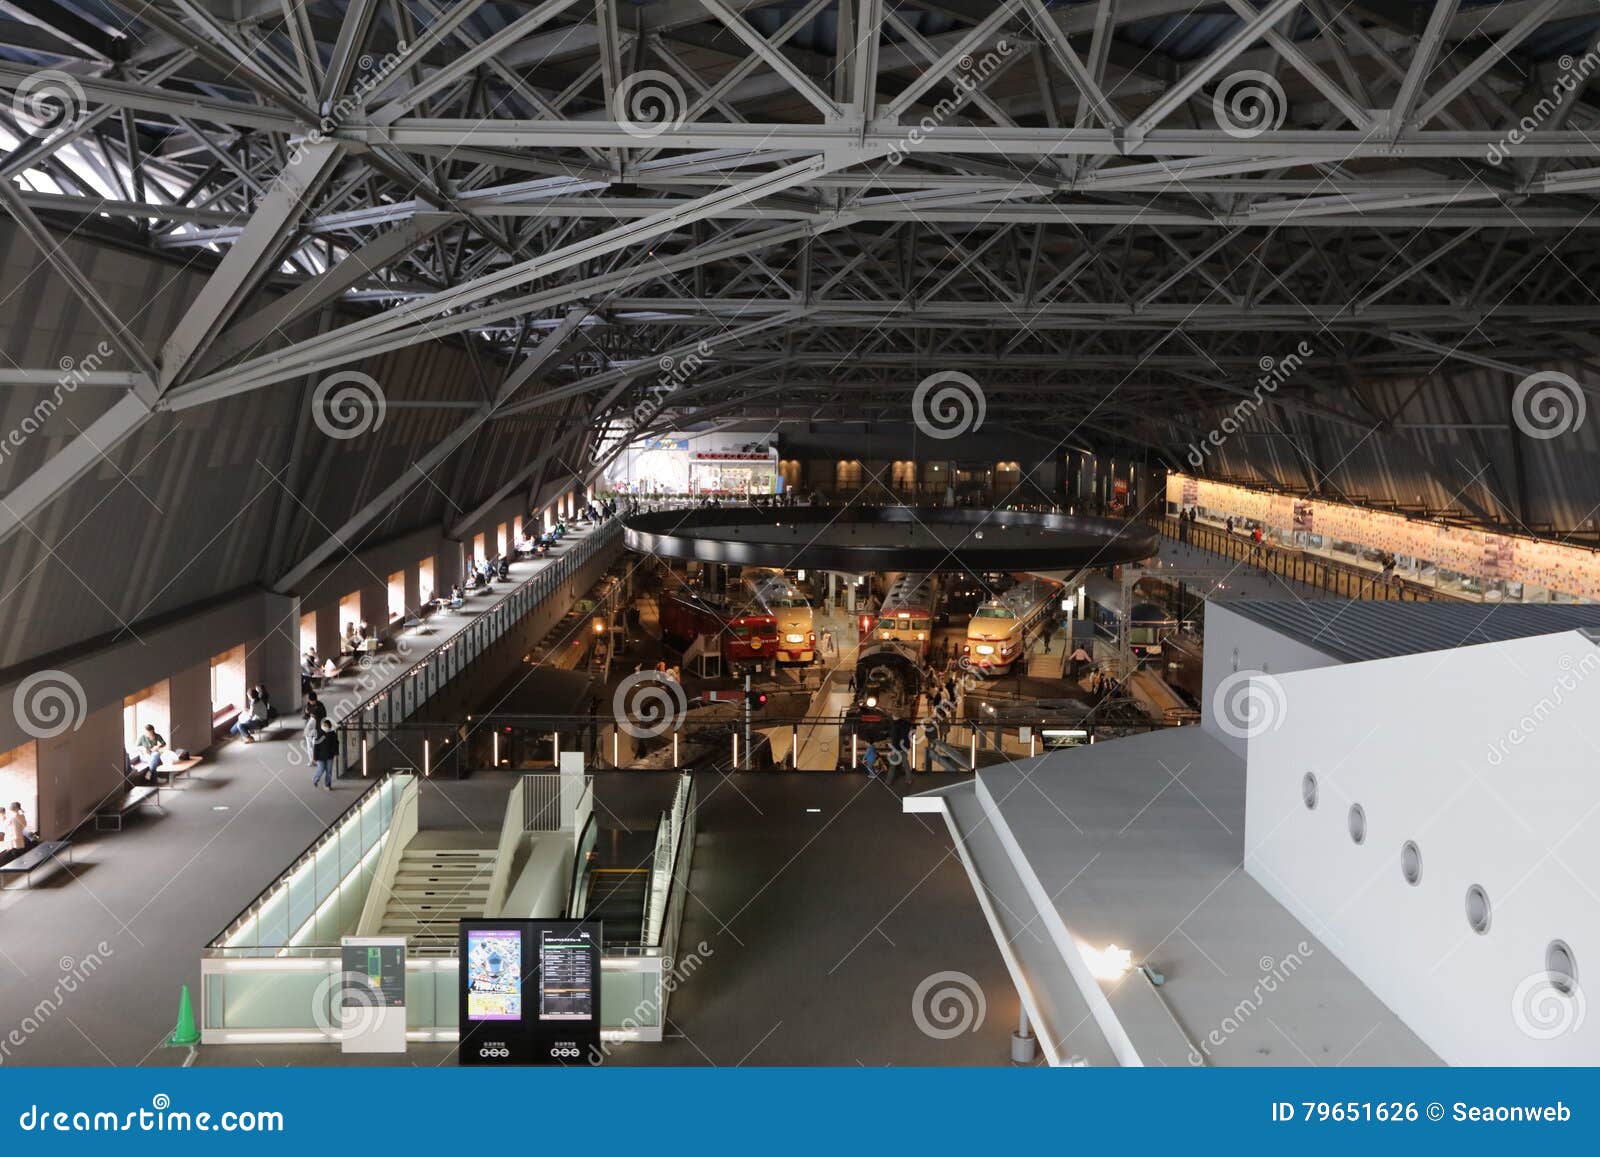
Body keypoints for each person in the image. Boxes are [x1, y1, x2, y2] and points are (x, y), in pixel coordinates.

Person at [311, 719, 339, 790]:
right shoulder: (319, 734)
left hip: (330, 755)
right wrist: (314, 757)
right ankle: (315, 779)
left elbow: (336, 744)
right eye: (323, 725)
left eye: (326, 725)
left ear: (329, 726)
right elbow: (316, 746)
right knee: (321, 769)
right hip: (320, 756)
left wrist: (336, 752)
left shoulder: (333, 734)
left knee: (329, 771)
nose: (324, 726)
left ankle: (327, 785)